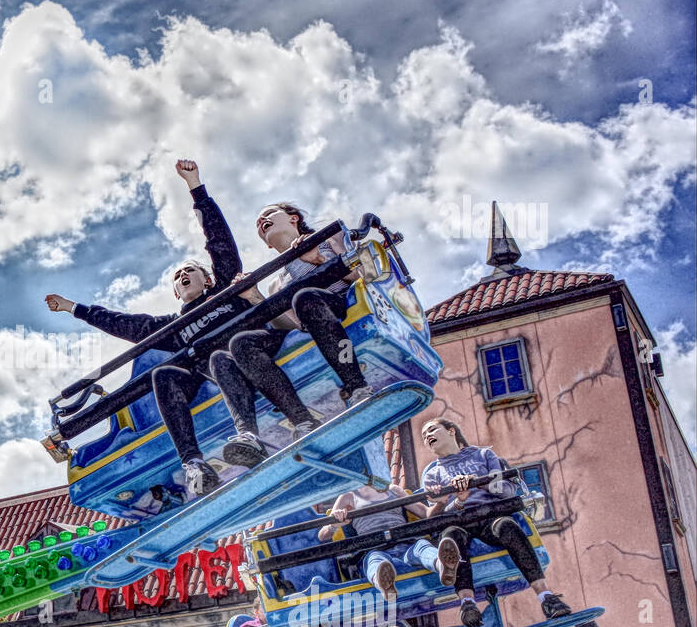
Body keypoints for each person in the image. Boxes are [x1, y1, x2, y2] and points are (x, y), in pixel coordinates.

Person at [45, 160, 266, 495]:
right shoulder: (174, 326)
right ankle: (194, 464)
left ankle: (246, 433)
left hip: (243, 353)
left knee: (220, 355)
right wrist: (73, 308)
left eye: (189, 271)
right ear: (176, 292)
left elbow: (218, 240)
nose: (182, 276)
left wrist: (195, 186)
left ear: (206, 279)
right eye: (177, 277)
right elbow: (124, 324)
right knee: (163, 374)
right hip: (205, 371)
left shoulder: (223, 288)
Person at [210, 202, 373, 466]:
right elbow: (290, 326)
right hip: (311, 323)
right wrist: (255, 297)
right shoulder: (276, 281)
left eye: (268, 214)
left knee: (306, 297)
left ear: (293, 218)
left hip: (338, 303)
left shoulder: (327, 238)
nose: (261, 219)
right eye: (258, 222)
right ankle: (301, 420)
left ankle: (357, 387)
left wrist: (319, 260)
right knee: (240, 342)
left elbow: (362, 273)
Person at [420, 418, 598, 627]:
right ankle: (467, 603)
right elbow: (433, 517)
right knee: (451, 538)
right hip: (458, 518)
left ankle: (546, 596)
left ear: (451, 431)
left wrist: (479, 482)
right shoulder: (432, 474)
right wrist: (455, 500)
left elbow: (506, 491)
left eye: (431, 430)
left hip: (489, 515)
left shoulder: (484, 456)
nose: (427, 436)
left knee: (507, 526)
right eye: (424, 436)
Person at [318, 483, 439, 602]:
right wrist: (334, 525)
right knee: (375, 561)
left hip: (404, 543)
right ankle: (384, 585)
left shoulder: (393, 490)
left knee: (422, 546)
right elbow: (322, 535)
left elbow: (426, 513)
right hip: (374, 548)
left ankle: (442, 564)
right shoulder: (348, 497)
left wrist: (441, 502)